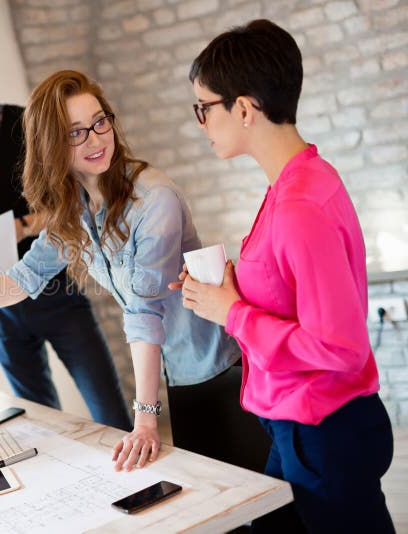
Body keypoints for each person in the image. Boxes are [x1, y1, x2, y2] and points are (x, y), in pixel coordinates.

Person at [0, 70, 269, 473]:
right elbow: (22, 278)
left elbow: (144, 312)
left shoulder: (154, 200)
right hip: (179, 372)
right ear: (52, 145)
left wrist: (145, 420)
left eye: (100, 123)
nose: (95, 140)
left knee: (247, 491)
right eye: (76, 133)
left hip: (220, 370)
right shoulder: (77, 209)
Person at [176, 19, 394, 532]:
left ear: (244, 109)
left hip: (322, 428)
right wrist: (230, 290)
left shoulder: (300, 205)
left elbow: (339, 347)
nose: (201, 123)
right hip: (297, 423)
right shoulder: (296, 181)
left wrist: (231, 312)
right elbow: (290, 290)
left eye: (204, 108)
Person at [0, 42, 131, 431]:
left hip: (57, 292)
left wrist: (20, 227)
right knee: (39, 423)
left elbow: (76, 198)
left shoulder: (31, 127)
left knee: (108, 409)